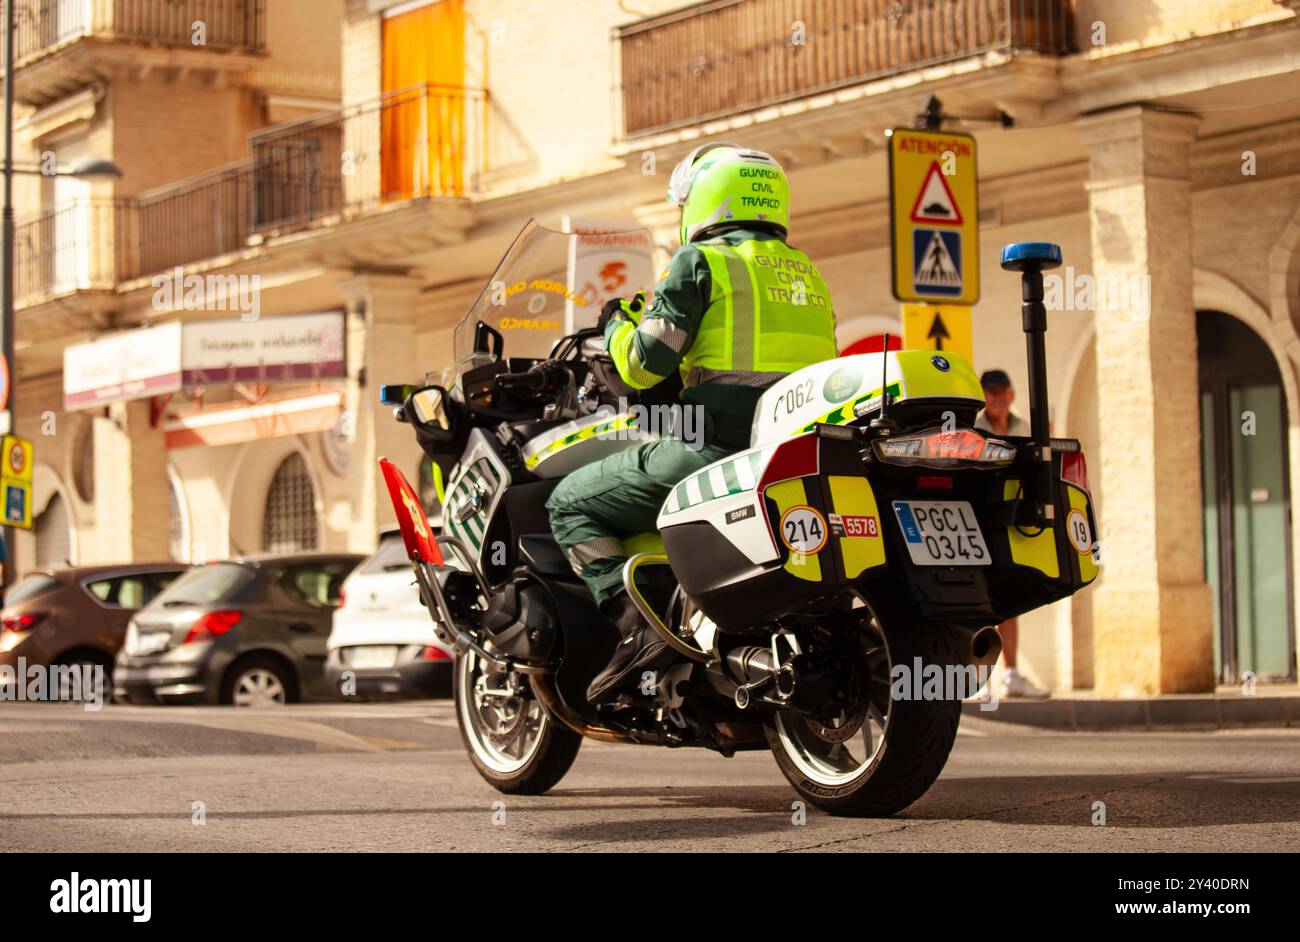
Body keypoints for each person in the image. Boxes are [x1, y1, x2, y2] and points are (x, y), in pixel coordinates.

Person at [547, 142, 838, 704]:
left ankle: (634, 627)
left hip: (715, 447)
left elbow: (643, 361)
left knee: (569, 503)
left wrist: (613, 327)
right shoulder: (806, 270)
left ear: (704, 199)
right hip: (791, 448)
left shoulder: (700, 262)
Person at [975, 369, 1049, 700]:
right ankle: (979, 681)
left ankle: (1011, 675)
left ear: (1012, 393)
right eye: (990, 392)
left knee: (1010, 602)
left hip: (1011, 521)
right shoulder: (974, 427)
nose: (997, 397)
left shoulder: (1024, 428)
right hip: (979, 519)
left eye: (1002, 390)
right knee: (979, 604)